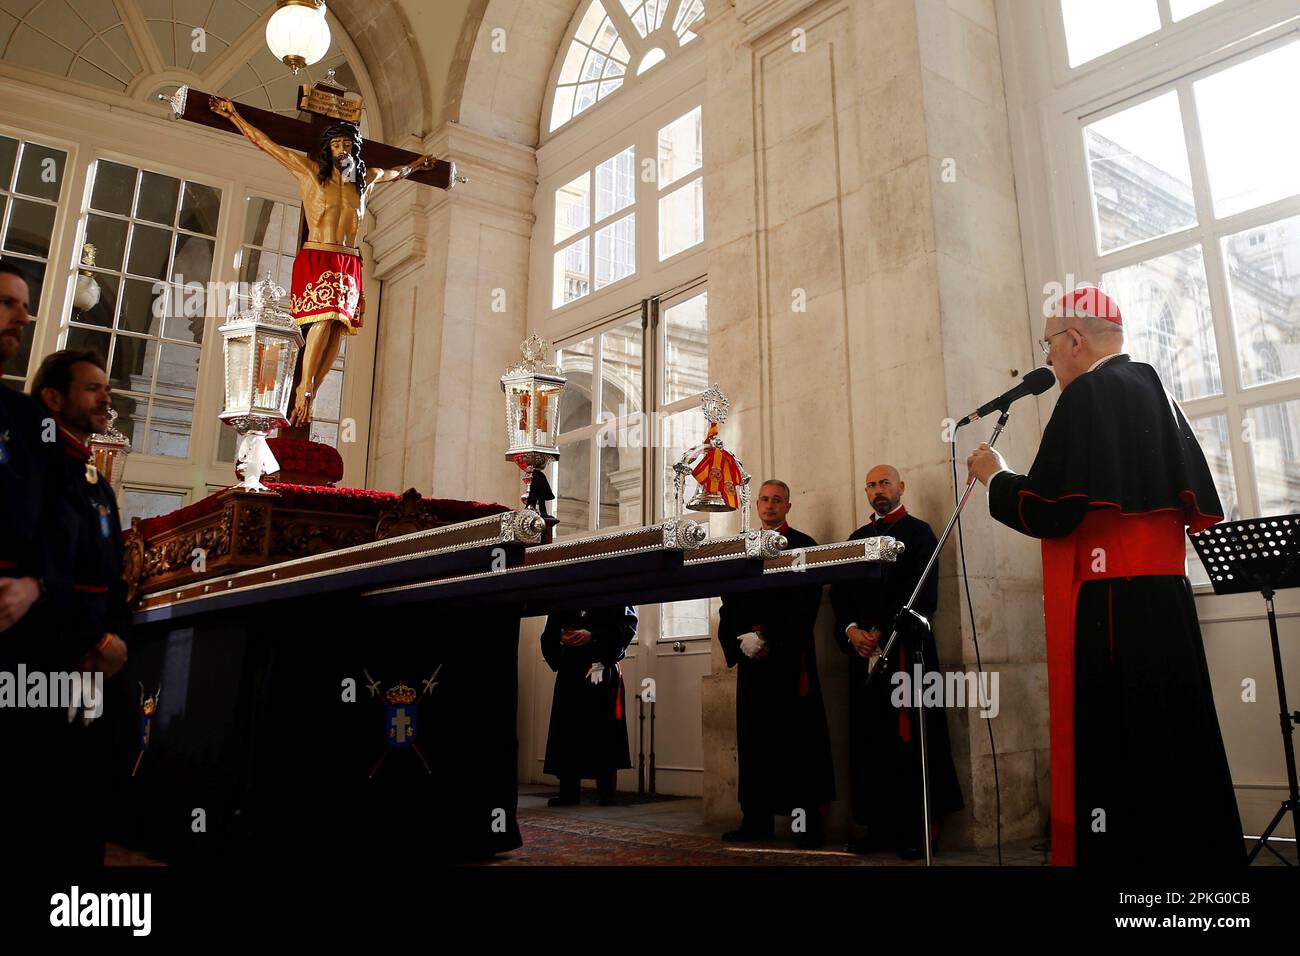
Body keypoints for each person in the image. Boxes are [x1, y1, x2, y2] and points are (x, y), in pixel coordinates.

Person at [967, 287, 1244, 866]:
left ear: (1074, 340)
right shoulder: (1156, 387)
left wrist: (995, 476)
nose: (1047, 359)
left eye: (1048, 344)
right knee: (1177, 735)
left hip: (1113, 603)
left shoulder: (1090, 393)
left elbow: (1049, 508)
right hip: (1166, 597)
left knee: (1120, 743)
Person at [209, 95, 435, 426]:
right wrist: (234, 116)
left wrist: (417, 166)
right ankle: (303, 388)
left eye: (347, 144)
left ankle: (312, 386)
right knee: (324, 321)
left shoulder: (364, 181)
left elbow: (395, 173)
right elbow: (269, 146)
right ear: (327, 149)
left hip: (350, 262)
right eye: (337, 144)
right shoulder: (311, 173)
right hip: (319, 255)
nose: (342, 150)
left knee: (340, 328)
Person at [830, 464, 964, 858]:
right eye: (870, 485)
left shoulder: (920, 534)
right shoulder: (856, 539)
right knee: (870, 743)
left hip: (908, 654)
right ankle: (878, 828)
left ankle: (920, 829)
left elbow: (923, 597)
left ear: (901, 487)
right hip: (864, 655)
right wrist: (852, 631)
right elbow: (840, 597)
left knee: (914, 743)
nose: (877, 490)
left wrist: (886, 633)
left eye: (884, 482)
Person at [32, 348, 131, 866]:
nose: (104, 397)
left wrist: (115, 641)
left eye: (106, 388)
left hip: (98, 662)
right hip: (50, 660)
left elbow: (111, 574)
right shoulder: (36, 473)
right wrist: (92, 642)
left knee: (86, 804)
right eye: (91, 388)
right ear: (53, 398)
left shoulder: (94, 478)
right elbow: (47, 572)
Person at [717, 479, 834, 847]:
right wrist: (741, 642)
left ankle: (805, 827)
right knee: (755, 745)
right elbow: (729, 602)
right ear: (757, 505)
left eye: (777, 500)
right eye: (764, 499)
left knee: (800, 746)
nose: (769, 505)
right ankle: (756, 822)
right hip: (753, 663)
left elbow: (804, 602)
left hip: (789, 659)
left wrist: (767, 637)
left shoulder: (804, 546)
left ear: (787, 506)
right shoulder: (741, 548)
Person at [541, 605, 637, 806]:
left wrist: (593, 636)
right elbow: (550, 632)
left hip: (601, 668)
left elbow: (627, 625)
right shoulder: (566, 592)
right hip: (570, 670)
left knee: (603, 730)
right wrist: (561, 637)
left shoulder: (614, 586)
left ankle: (606, 793)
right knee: (568, 731)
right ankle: (568, 792)